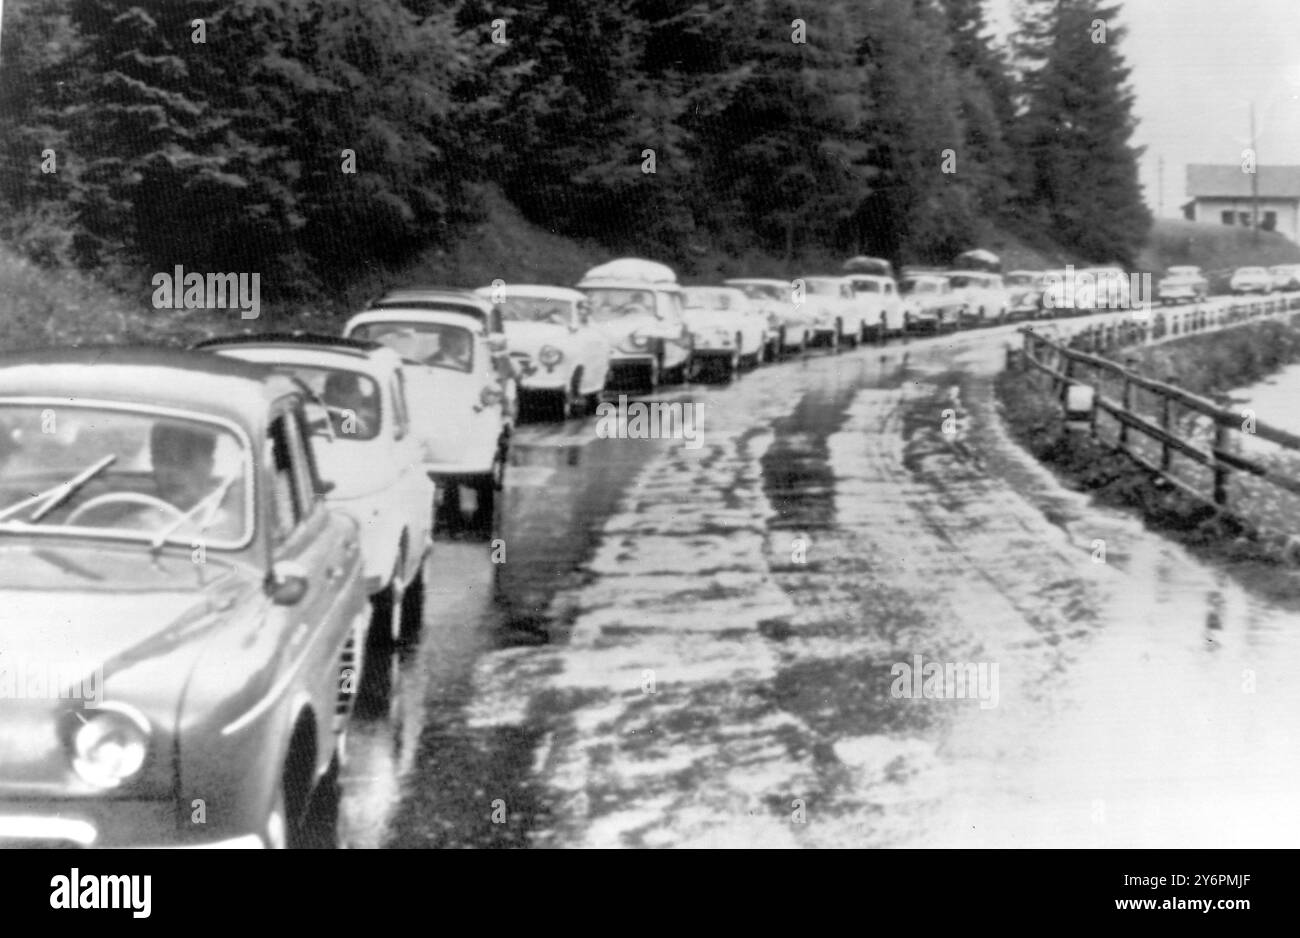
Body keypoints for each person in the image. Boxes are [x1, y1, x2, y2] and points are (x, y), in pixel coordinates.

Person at [322, 371, 379, 438]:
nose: (360, 394)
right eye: (355, 390)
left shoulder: (370, 421)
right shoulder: (320, 421)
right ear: (339, 395)